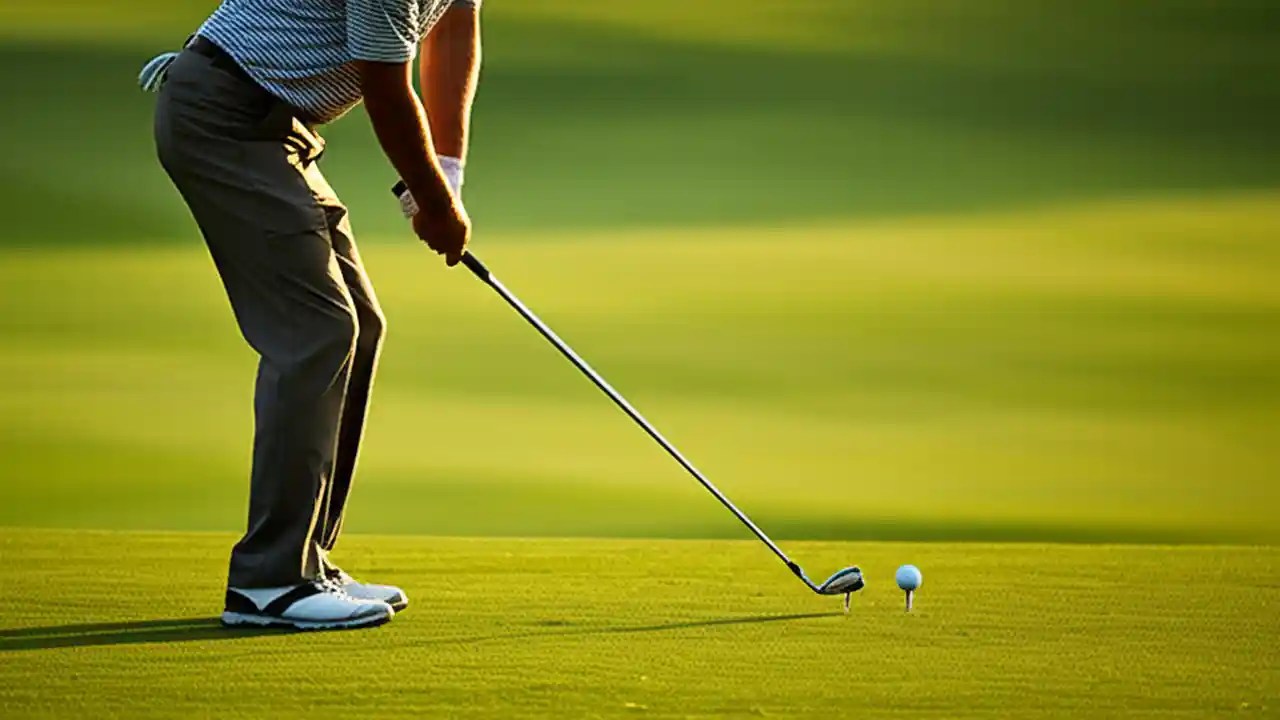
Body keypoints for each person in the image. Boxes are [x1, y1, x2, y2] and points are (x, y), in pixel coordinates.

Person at [143, 0, 482, 630]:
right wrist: (434, 204)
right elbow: (384, 82)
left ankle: (307, 561)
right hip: (224, 114)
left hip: (276, 128)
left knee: (359, 321)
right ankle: (269, 583)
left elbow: (455, 26)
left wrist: (447, 177)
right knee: (317, 332)